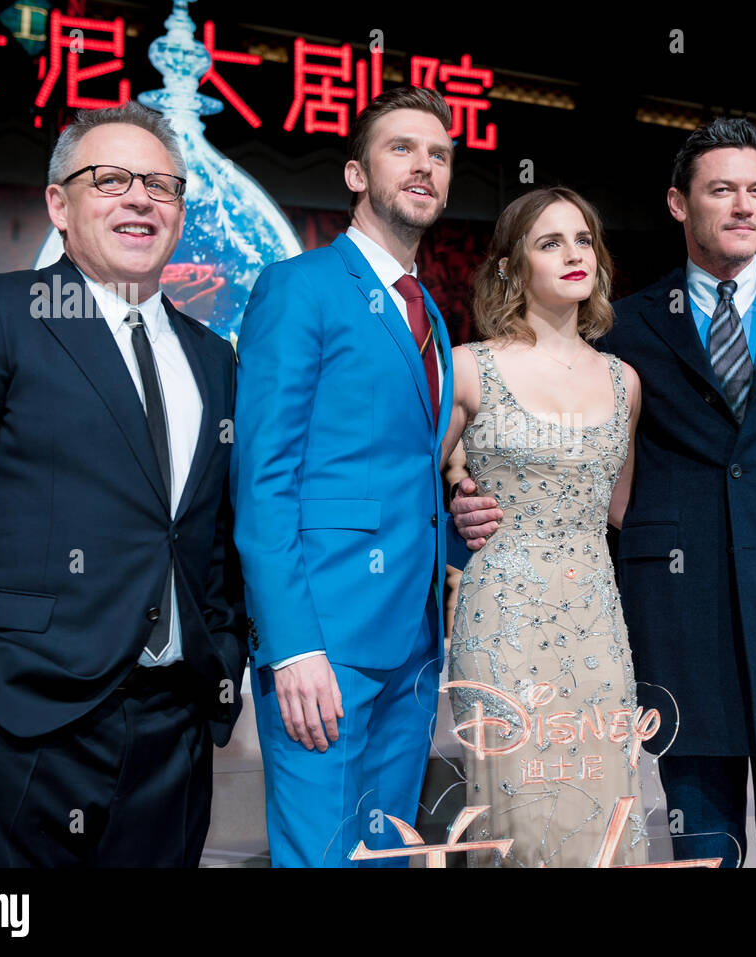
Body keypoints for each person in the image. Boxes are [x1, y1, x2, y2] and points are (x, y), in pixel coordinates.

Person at [458, 117, 756, 867]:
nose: (743, 206)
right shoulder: (623, 332)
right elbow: (567, 451)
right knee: (702, 853)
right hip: (678, 628)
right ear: (677, 203)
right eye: (721, 189)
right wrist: (469, 499)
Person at [0, 102, 248, 866]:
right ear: (59, 203)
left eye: (161, 184)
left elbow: (207, 535)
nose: (139, 198)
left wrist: (225, 658)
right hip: (17, 720)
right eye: (109, 179)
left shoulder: (215, 357)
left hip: (173, 728)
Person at [232, 86, 495, 867]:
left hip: (413, 642)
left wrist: (456, 527)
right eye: (402, 148)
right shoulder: (299, 286)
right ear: (355, 173)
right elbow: (263, 478)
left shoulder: (431, 312)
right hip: (326, 646)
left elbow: (398, 474)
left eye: (440, 154)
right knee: (321, 858)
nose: (425, 165)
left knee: (389, 858)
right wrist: (292, 647)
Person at [441, 187, 646, 866]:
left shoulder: (624, 381)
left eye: (583, 238)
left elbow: (623, 509)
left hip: (596, 622)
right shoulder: (469, 367)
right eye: (549, 242)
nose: (573, 253)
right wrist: (454, 511)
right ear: (511, 265)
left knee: (602, 817)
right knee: (523, 829)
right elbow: (413, 491)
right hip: (502, 624)